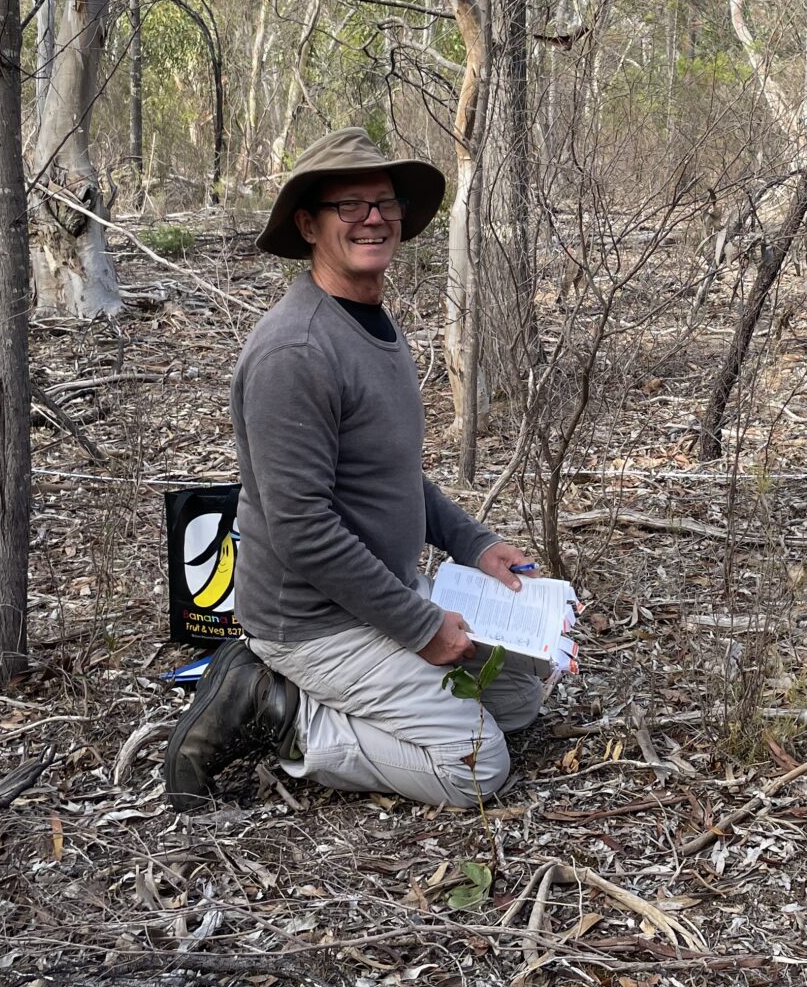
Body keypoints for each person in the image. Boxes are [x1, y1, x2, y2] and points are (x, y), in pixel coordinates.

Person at [163, 127, 542, 812]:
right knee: (479, 767)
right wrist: (421, 628)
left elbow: (391, 476)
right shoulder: (297, 351)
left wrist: (476, 545)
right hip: (312, 622)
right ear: (308, 226)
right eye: (349, 205)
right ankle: (280, 710)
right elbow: (303, 527)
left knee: (519, 695)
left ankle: (350, 703)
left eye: (384, 201)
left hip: (376, 594)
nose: (373, 216)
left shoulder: (370, 321)